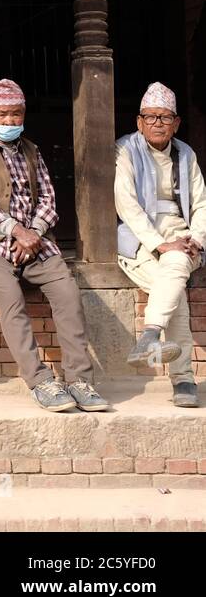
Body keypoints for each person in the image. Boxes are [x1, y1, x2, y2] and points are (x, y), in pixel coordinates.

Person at [0, 78, 109, 413]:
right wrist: (16, 232)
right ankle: (40, 381)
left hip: (34, 242)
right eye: (3, 114)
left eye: (16, 114)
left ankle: (79, 380)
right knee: (11, 299)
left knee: (68, 294)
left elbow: (49, 202)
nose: (10, 120)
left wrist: (34, 233)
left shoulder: (32, 150)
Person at [115, 81, 204, 408]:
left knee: (178, 262)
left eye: (164, 118)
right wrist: (158, 243)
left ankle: (149, 337)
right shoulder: (125, 150)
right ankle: (183, 378)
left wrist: (196, 238)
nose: (157, 123)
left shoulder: (186, 154)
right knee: (176, 286)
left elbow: (202, 204)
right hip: (140, 238)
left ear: (176, 122)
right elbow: (126, 204)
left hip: (182, 234)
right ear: (139, 121)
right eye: (150, 117)